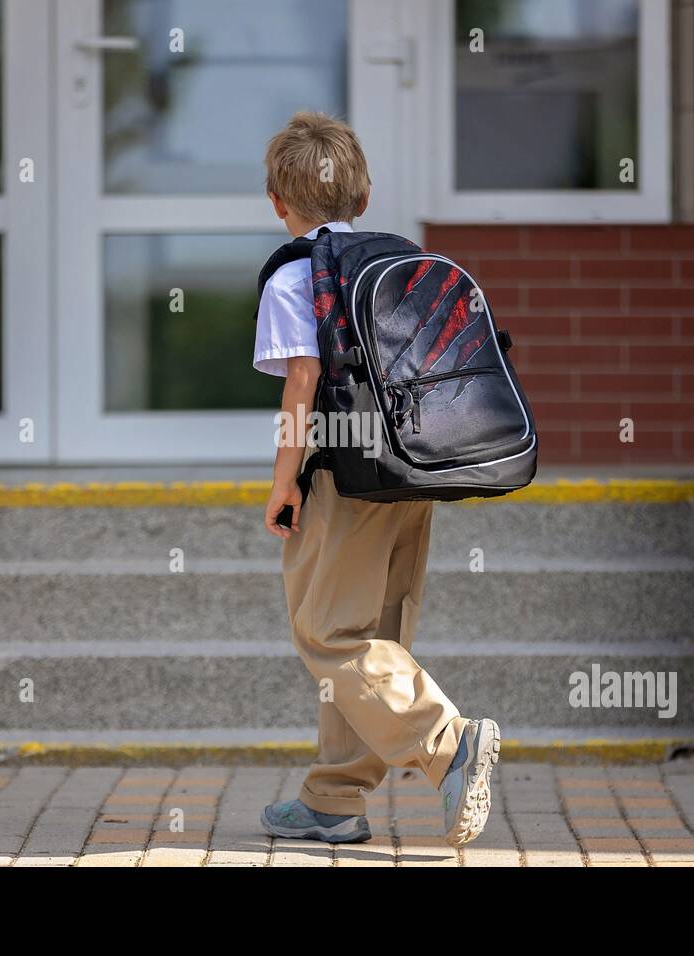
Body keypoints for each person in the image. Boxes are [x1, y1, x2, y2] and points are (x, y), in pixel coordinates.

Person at [253, 112, 500, 848]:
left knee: (328, 632)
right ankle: (333, 798)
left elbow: (302, 382)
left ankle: (446, 740)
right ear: (362, 196)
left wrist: (283, 482)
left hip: (343, 478)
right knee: (376, 637)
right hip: (411, 473)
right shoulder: (399, 259)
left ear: (278, 202)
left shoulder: (296, 273)